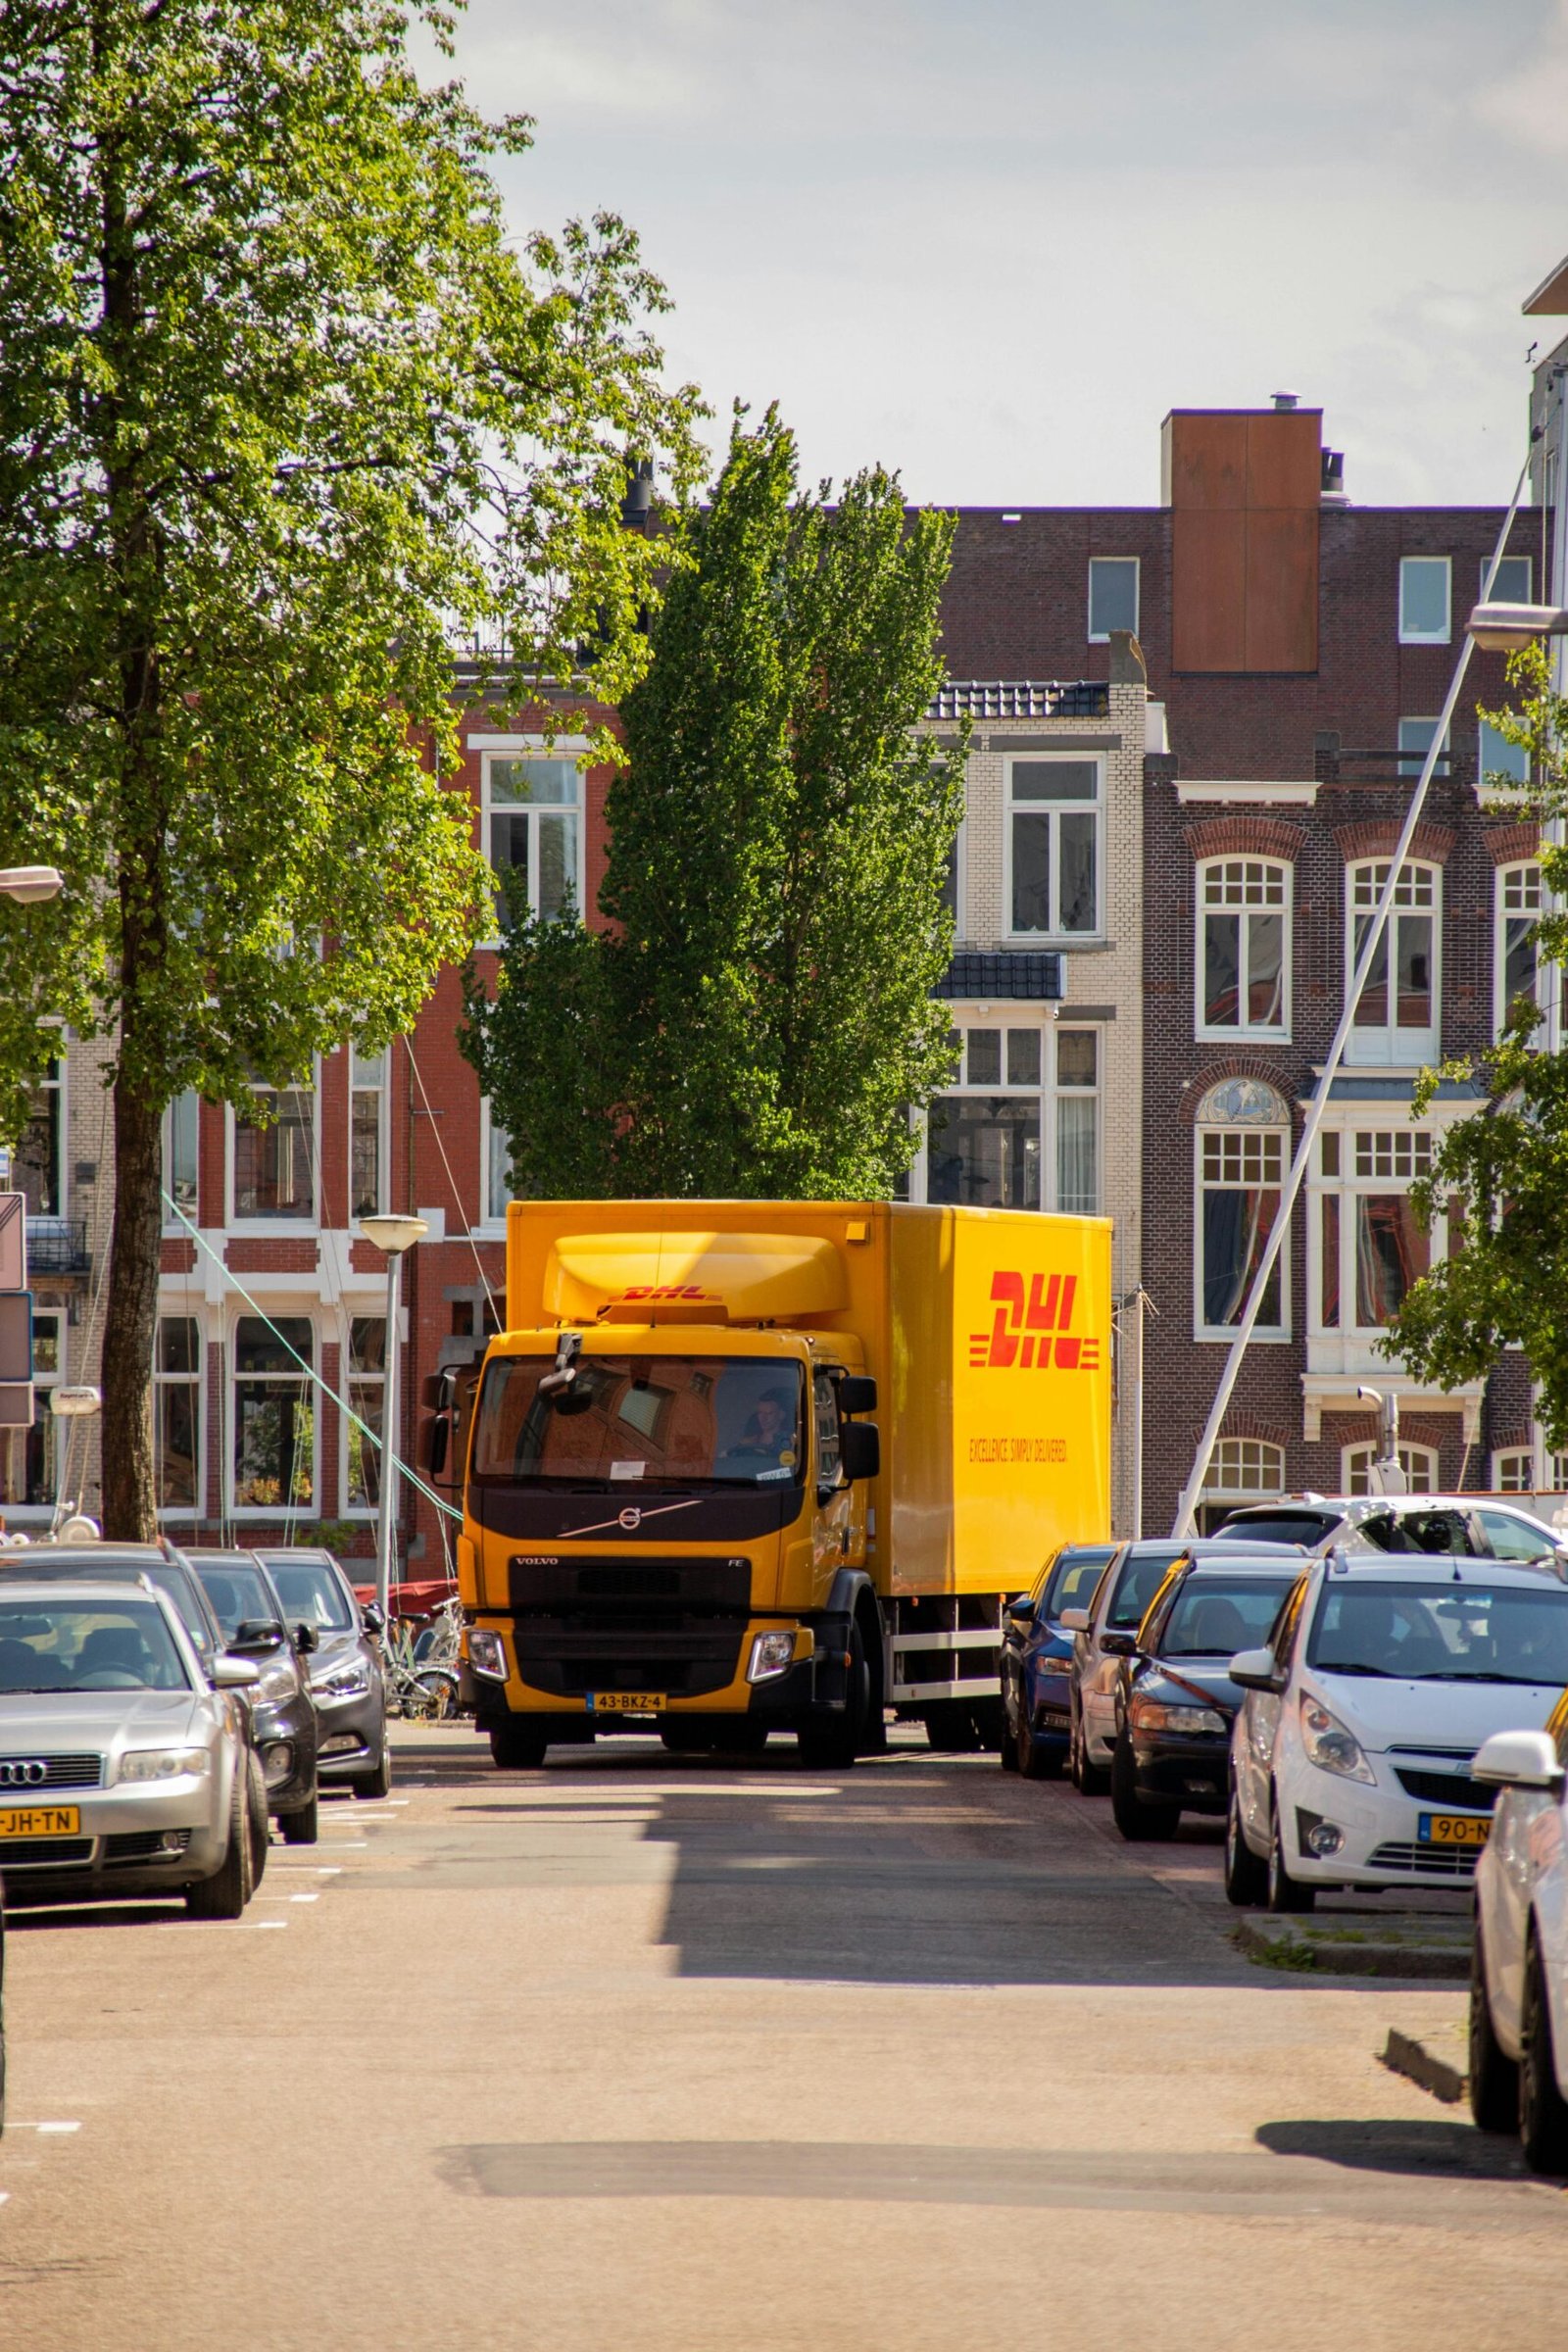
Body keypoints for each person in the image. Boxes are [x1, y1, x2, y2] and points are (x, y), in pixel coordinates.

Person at [724, 1387, 796, 1465]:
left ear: (781, 1415)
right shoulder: (746, 1443)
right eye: (760, 1413)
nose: (763, 1418)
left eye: (769, 1413)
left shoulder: (790, 1443)